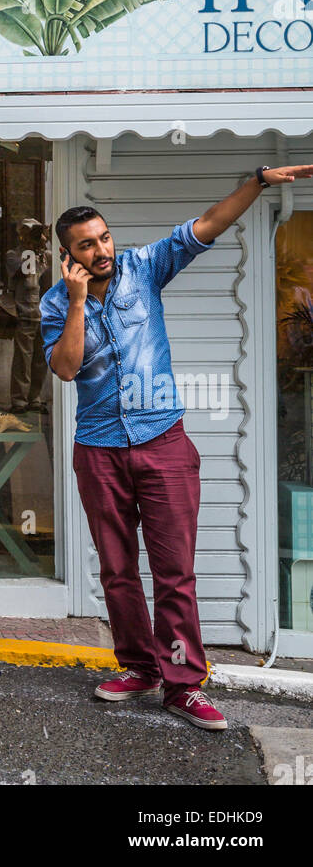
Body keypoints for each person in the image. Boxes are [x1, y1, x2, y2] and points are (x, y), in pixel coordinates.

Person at [40, 163, 313, 732]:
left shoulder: (144, 267)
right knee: (117, 570)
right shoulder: (54, 304)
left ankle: (184, 684)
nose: (101, 250)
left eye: (104, 237)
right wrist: (74, 299)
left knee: (174, 571)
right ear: (68, 256)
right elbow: (66, 370)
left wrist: (259, 181)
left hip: (163, 441)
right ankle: (138, 666)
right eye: (86, 246)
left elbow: (208, 224)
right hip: (98, 448)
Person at [6, 219, 51, 417]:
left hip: (44, 315)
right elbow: (24, 274)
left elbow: (50, 284)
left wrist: (42, 251)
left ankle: (35, 398)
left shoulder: (46, 257)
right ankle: (19, 400)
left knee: (41, 361)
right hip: (23, 314)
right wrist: (31, 251)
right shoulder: (14, 255)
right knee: (22, 361)